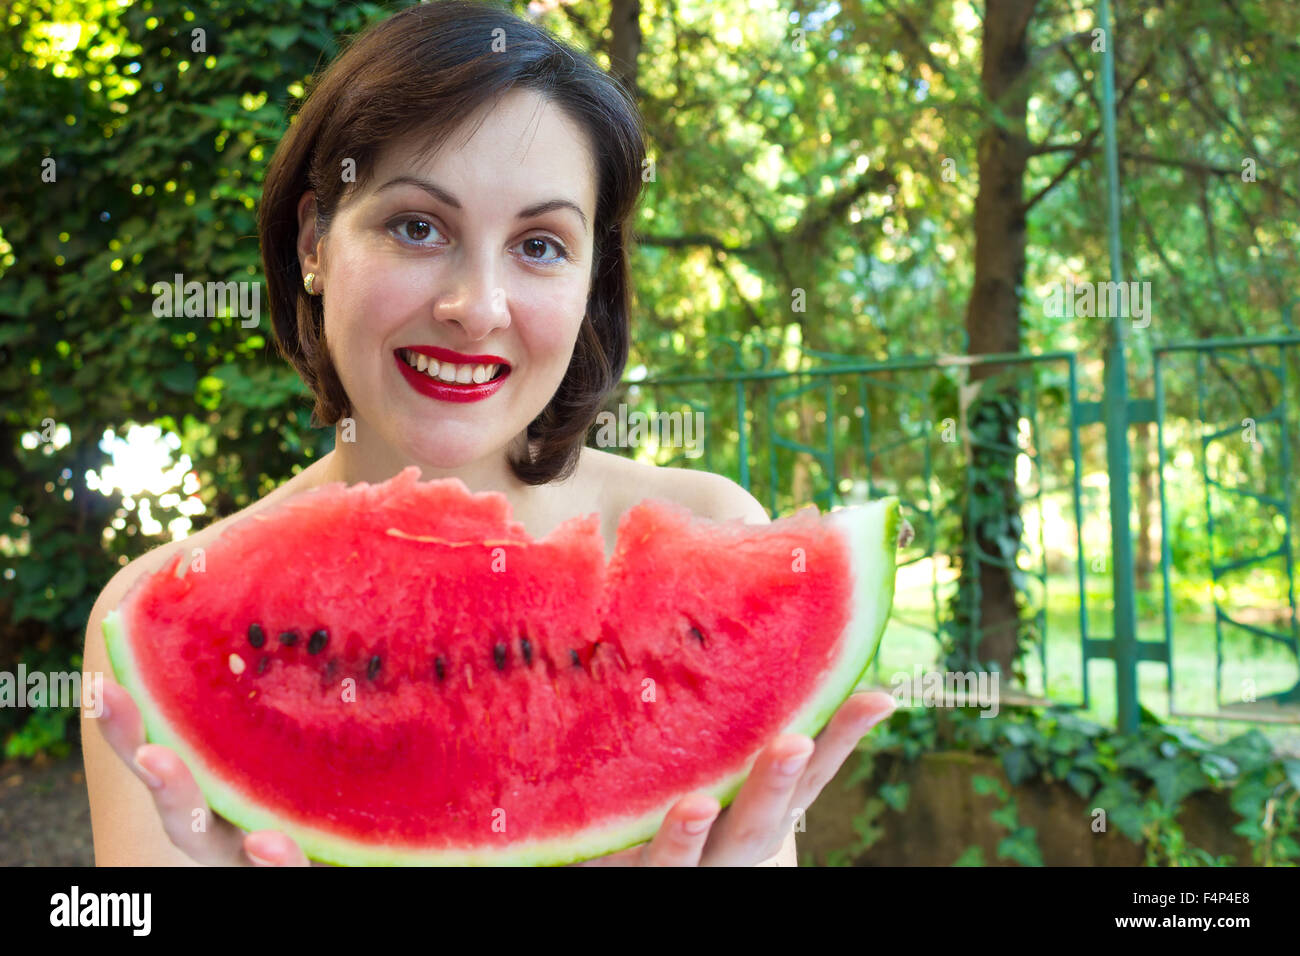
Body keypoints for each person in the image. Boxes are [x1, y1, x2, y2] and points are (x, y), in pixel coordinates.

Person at [81, 0, 895, 867]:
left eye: (540, 244)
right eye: (417, 227)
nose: (476, 309)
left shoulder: (720, 527)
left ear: (592, 281)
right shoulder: (151, 624)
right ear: (314, 242)